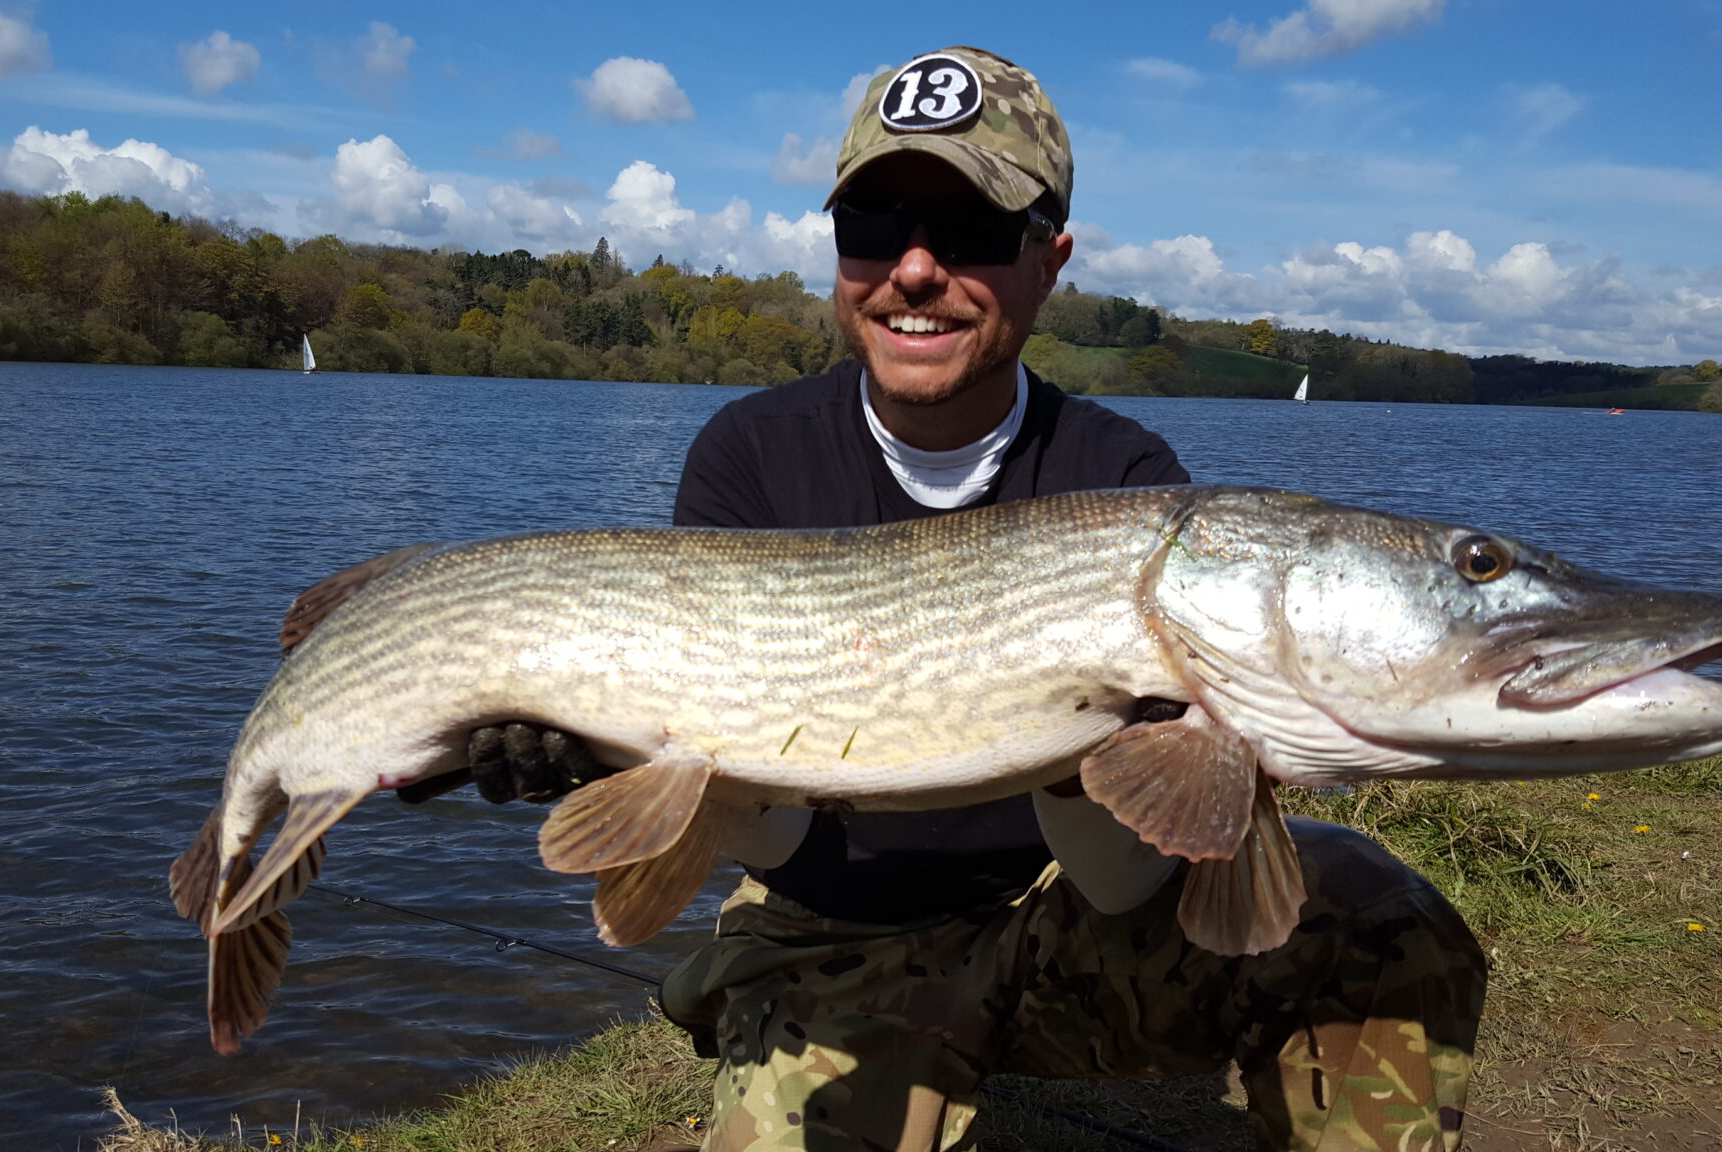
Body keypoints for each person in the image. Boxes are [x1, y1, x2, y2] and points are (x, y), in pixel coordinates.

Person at [425, 46, 1486, 1152]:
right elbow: (774, 841)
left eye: (972, 229)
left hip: (1061, 919)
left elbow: (1120, 885)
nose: (915, 269)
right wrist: (603, 749)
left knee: (1380, 919)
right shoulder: (749, 455)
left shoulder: (1125, 480)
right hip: (824, 930)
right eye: (872, 224)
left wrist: (1112, 745)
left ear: (1049, 260)